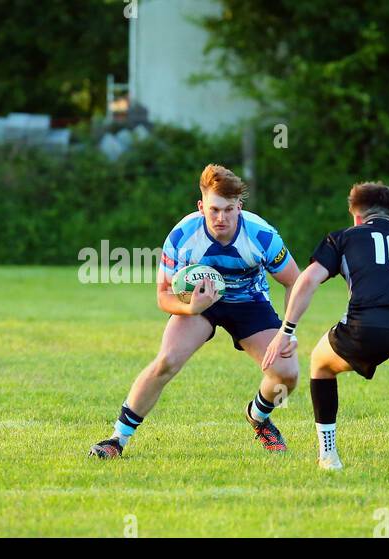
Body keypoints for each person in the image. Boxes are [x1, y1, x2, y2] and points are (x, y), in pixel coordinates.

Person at [89, 164, 301, 459]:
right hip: (200, 305)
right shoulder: (182, 236)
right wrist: (190, 306)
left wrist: (288, 332)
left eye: (229, 209)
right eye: (214, 209)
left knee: (287, 374)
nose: (221, 217)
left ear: (240, 206)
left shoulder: (262, 235)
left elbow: (294, 280)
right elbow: (163, 296)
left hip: (249, 302)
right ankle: (116, 440)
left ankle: (258, 416)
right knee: (166, 361)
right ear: (201, 206)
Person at [265, 182, 389, 470]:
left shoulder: (344, 239)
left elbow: (308, 280)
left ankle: (328, 455)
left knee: (320, 364)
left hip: (366, 329)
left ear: (357, 218)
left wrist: (286, 332)